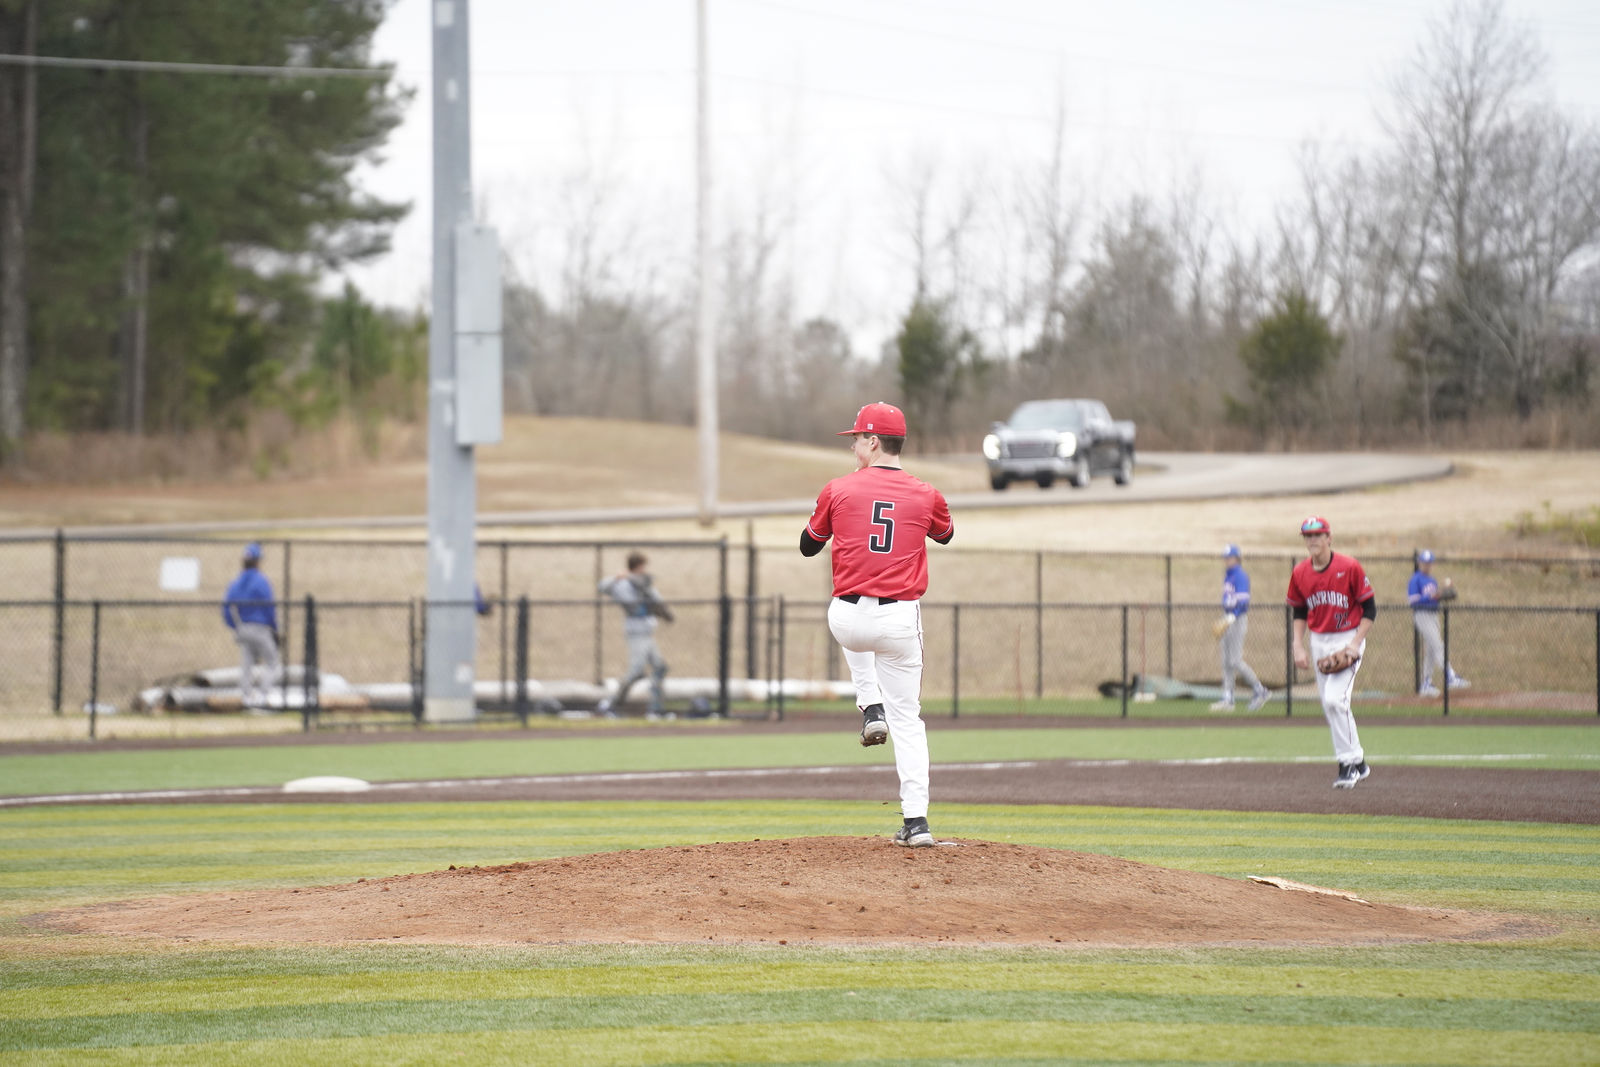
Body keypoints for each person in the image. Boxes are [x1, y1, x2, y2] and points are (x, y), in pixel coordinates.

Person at [800, 402, 954, 848]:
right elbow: (945, 536)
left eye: (856, 438)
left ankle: (870, 707)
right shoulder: (927, 493)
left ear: (873, 441)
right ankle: (917, 822)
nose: (853, 444)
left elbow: (809, 546)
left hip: (846, 618)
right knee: (909, 719)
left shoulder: (839, 489)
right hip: (897, 620)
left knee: (855, 630)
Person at [1286, 516, 1376, 790]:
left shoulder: (1348, 567)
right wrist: (1297, 644)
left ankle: (1347, 764)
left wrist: (1354, 644)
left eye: (1318, 535)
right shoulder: (1300, 572)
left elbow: (1370, 609)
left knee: (1335, 700)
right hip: (1319, 642)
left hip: (1348, 638)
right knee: (1330, 704)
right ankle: (1358, 762)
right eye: (1308, 536)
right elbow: (1300, 610)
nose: (1312, 540)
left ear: (1329, 538)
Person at [597, 551, 674, 719]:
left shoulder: (644, 583)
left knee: (660, 668)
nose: (644, 570)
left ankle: (656, 708)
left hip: (648, 632)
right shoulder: (624, 584)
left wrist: (663, 611)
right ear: (636, 567)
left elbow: (657, 600)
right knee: (636, 671)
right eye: (642, 567)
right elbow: (602, 586)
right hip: (636, 632)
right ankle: (611, 703)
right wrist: (618, 578)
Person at [1210, 545, 1272, 713]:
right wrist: (1226, 617)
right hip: (1227, 617)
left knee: (1235, 660)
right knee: (1225, 661)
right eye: (1225, 558)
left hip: (1237, 619)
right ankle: (1228, 698)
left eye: (1229, 558)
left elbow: (1243, 602)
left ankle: (1260, 690)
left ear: (1236, 559)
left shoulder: (1240, 576)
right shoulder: (1228, 576)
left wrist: (1232, 616)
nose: (1226, 561)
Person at [222, 542, 280, 709]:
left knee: (246, 664)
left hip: (243, 628)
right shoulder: (261, 581)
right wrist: (275, 628)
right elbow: (270, 607)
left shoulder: (236, 582)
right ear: (257, 561)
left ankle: (246, 697)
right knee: (272, 661)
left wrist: (235, 625)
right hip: (260, 628)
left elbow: (226, 608)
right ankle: (263, 696)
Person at [1407, 549, 1467, 696]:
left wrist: (1442, 594)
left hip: (1434, 615)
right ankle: (1450, 676)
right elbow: (1413, 601)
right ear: (1419, 563)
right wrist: (1432, 596)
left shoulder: (1432, 580)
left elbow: (1436, 597)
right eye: (1424, 562)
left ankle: (1426, 683)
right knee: (1438, 645)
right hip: (1422, 615)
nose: (1427, 565)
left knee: (1431, 651)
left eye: (1429, 562)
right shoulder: (1415, 579)